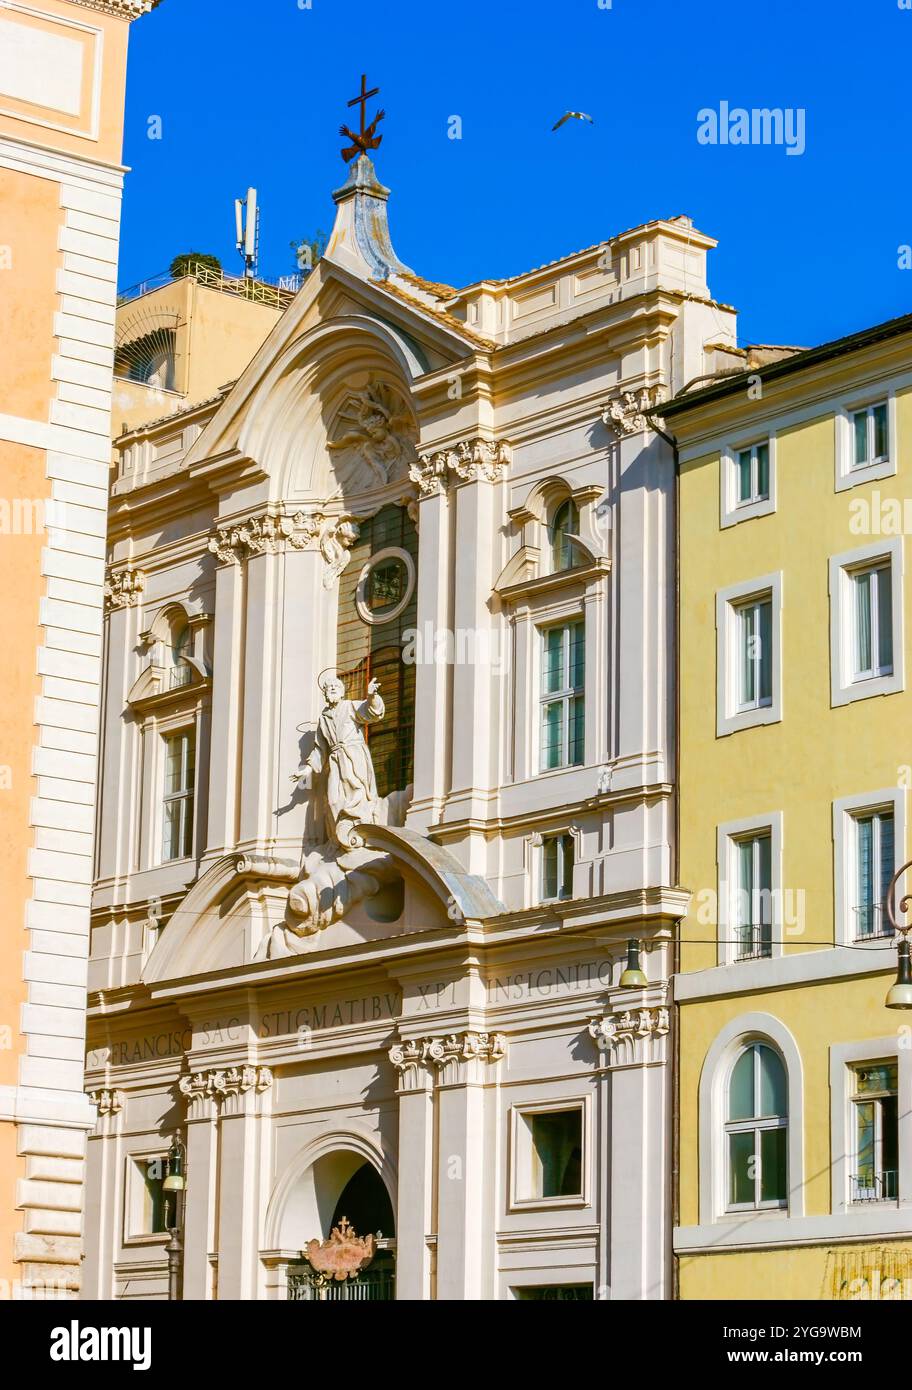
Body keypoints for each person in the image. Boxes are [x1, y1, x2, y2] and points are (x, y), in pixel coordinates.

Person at [291, 673, 385, 849]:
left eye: (336, 686)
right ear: (325, 694)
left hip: (354, 755)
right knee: (334, 799)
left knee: (358, 791)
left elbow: (372, 712)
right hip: (335, 760)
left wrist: (372, 696)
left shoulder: (349, 707)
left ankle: (361, 829)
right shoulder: (323, 719)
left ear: (342, 692)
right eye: (329, 687)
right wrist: (305, 771)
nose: (332, 688)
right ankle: (340, 836)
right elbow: (319, 750)